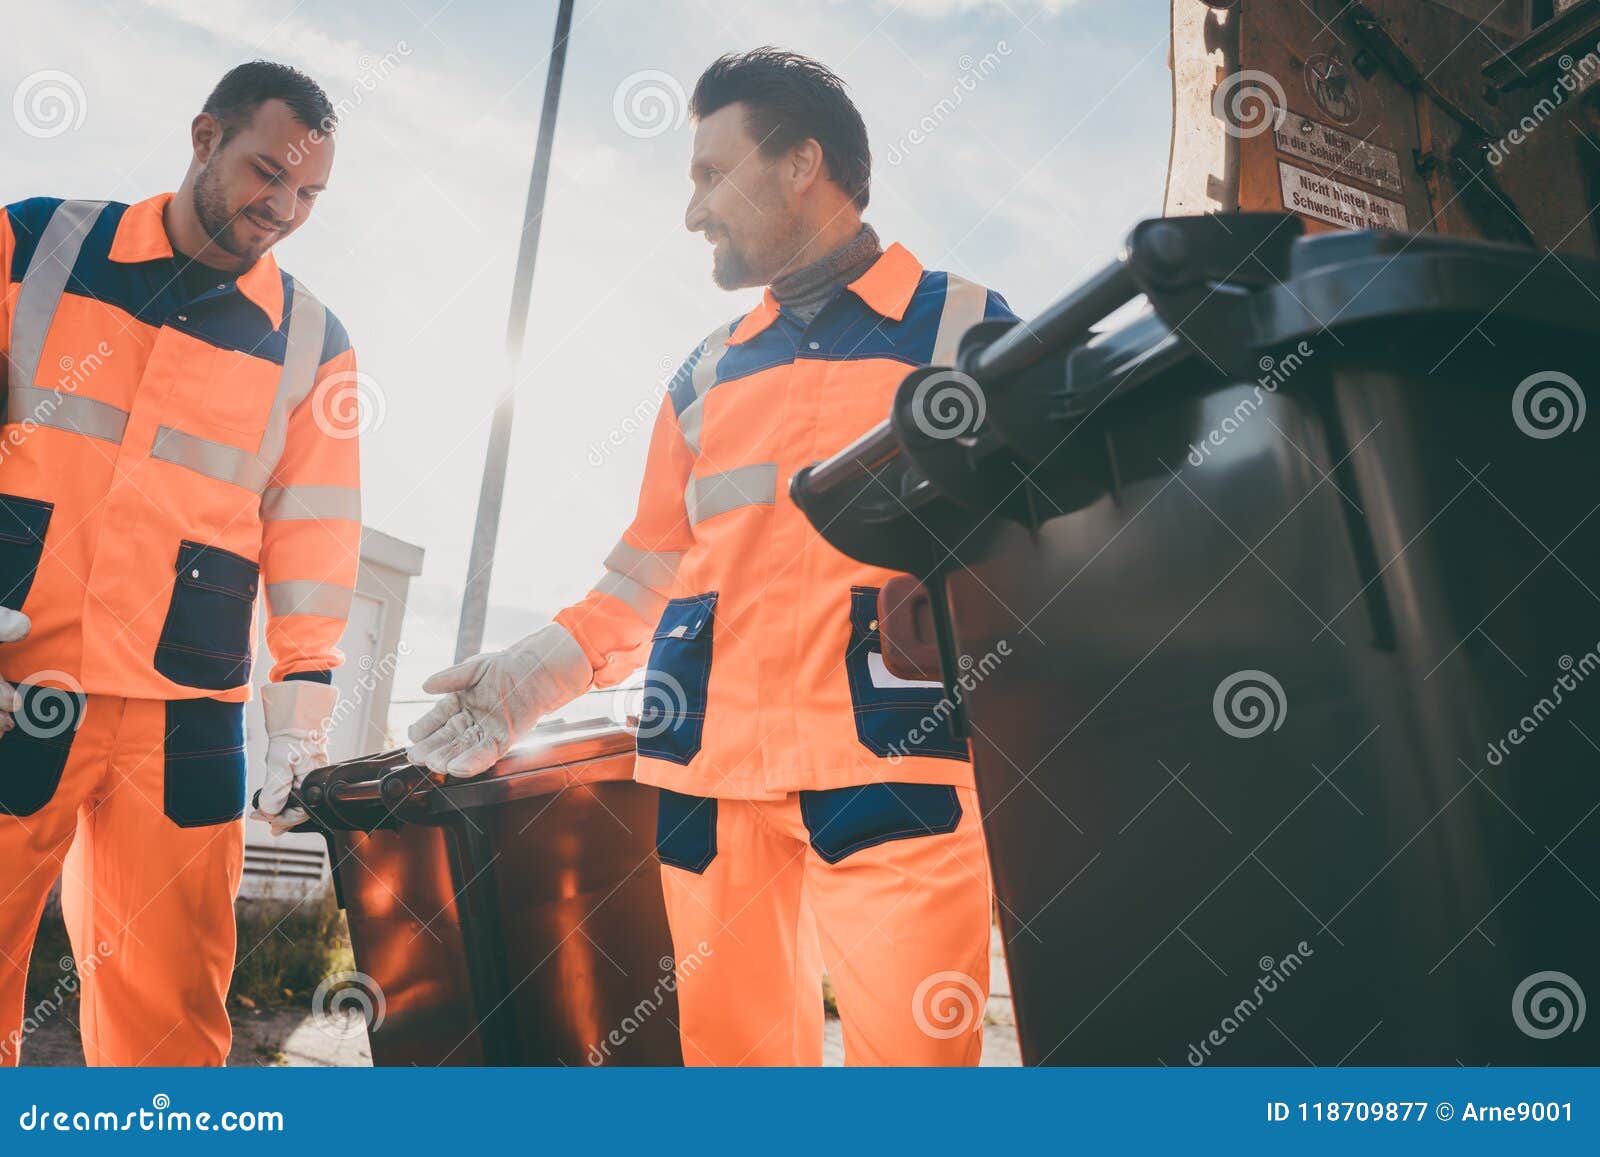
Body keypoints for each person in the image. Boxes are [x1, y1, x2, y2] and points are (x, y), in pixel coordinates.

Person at [408, 48, 1015, 1065]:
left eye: (707, 173)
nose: (691, 211)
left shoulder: (965, 329)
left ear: (799, 163)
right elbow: (646, 568)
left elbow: (1051, 539)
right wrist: (532, 675)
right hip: (707, 781)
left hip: (893, 766)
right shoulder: (705, 370)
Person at [0, 60, 361, 1066]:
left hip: (186, 714)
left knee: (171, 1026)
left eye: (308, 195)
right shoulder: (31, 246)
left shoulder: (313, 342)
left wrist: (300, 717)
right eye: (265, 173)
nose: (282, 208)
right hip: (21, 678)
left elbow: (314, 535)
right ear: (205, 137)